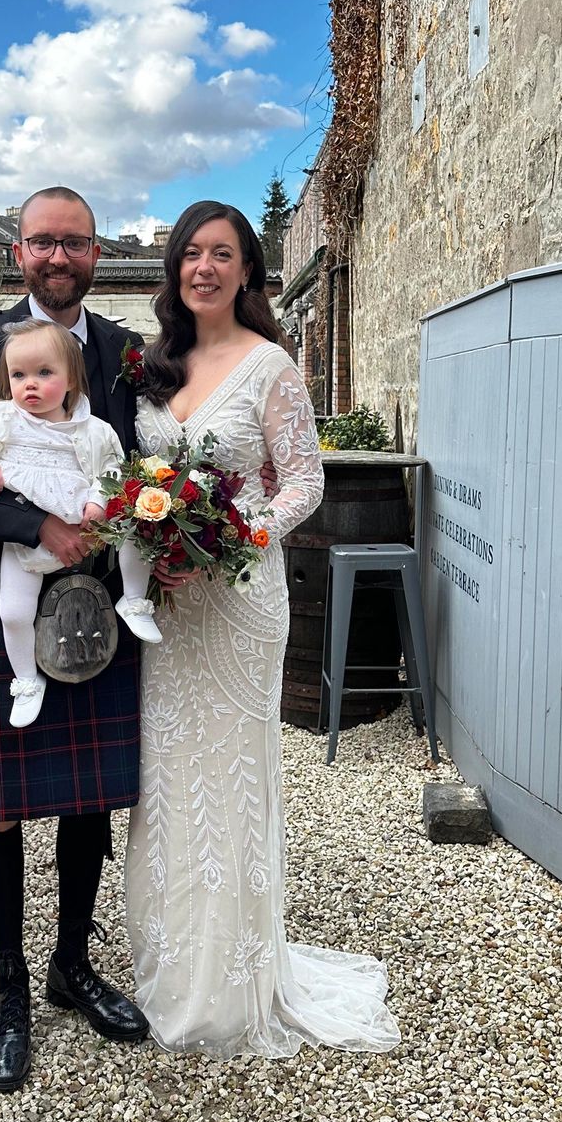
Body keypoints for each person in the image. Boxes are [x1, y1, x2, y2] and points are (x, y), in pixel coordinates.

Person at [123, 200, 402, 1058]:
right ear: (175, 268)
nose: (204, 267)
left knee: (231, 774)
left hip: (241, 601)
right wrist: (152, 536)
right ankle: (172, 966)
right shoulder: (159, 367)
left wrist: (237, 536)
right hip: (172, 603)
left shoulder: (271, 364)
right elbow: (138, 475)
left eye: (223, 254)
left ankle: (236, 981)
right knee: (167, 773)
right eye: (191, 253)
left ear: (248, 270)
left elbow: (304, 481)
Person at [0, 188, 149, 1093]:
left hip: (98, 600)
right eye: (44, 240)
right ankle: (9, 984)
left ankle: (71, 963)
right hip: (7, 601)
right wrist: (32, 528)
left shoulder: (122, 352)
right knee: (0, 802)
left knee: (89, 795)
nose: (60, 255)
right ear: (19, 250)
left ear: (96, 252)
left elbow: (145, 455)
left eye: (75, 242)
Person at [0, 317, 161, 728]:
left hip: (88, 526)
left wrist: (98, 501)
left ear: (71, 379)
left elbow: (113, 471)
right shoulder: (1, 419)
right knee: (13, 612)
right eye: (18, 374)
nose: (29, 384)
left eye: (44, 372)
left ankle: (133, 598)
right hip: (25, 535)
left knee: (135, 525)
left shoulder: (95, 430)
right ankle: (27, 681)